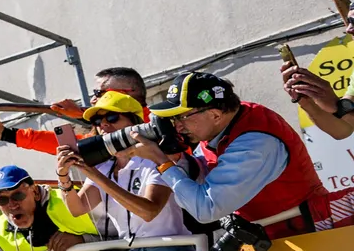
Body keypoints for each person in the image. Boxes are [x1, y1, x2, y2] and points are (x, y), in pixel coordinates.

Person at [133, 71, 350, 240]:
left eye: (181, 117)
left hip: (310, 234)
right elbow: (205, 172)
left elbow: (206, 208)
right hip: (275, 237)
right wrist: (177, 159)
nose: (177, 126)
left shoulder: (255, 142)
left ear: (215, 114)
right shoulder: (225, 124)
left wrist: (162, 163)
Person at [53, 92, 194, 251]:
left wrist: (95, 175)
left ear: (135, 123)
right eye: (97, 122)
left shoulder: (157, 159)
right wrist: (63, 175)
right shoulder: (103, 167)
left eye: (112, 117)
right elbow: (78, 208)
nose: (103, 124)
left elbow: (149, 211)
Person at [0, 67, 149, 154]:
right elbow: (71, 146)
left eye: (100, 92)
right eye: (98, 121)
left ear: (129, 93)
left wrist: (83, 114)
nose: (93, 99)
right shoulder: (102, 134)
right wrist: (7, 134)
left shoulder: (158, 120)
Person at [0, 165, 117, 251]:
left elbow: (127, 237)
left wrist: (82, 240)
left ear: (35, 192)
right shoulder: (0, 232)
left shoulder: (73, 203)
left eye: (17, 196)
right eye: (2, 200)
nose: (12, 205)